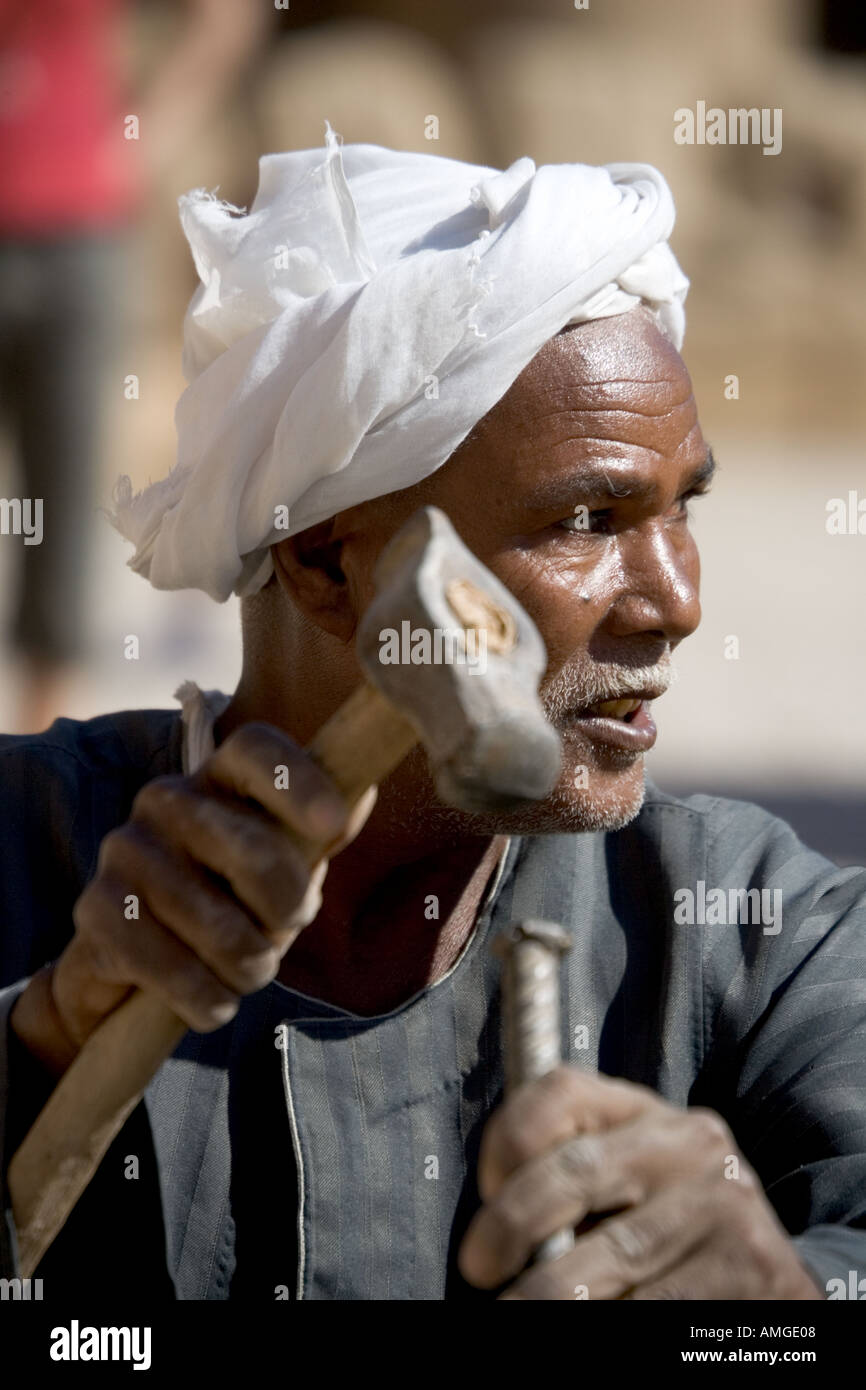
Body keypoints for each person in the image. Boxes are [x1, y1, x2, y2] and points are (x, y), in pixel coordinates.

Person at [1, 131, 863, 1301]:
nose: (676, 604)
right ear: (325, 562)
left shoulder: (758, 933)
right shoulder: (22, 849)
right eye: (590, 520)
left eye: (682, 510)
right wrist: (41, 1041)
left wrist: (782, 1303)